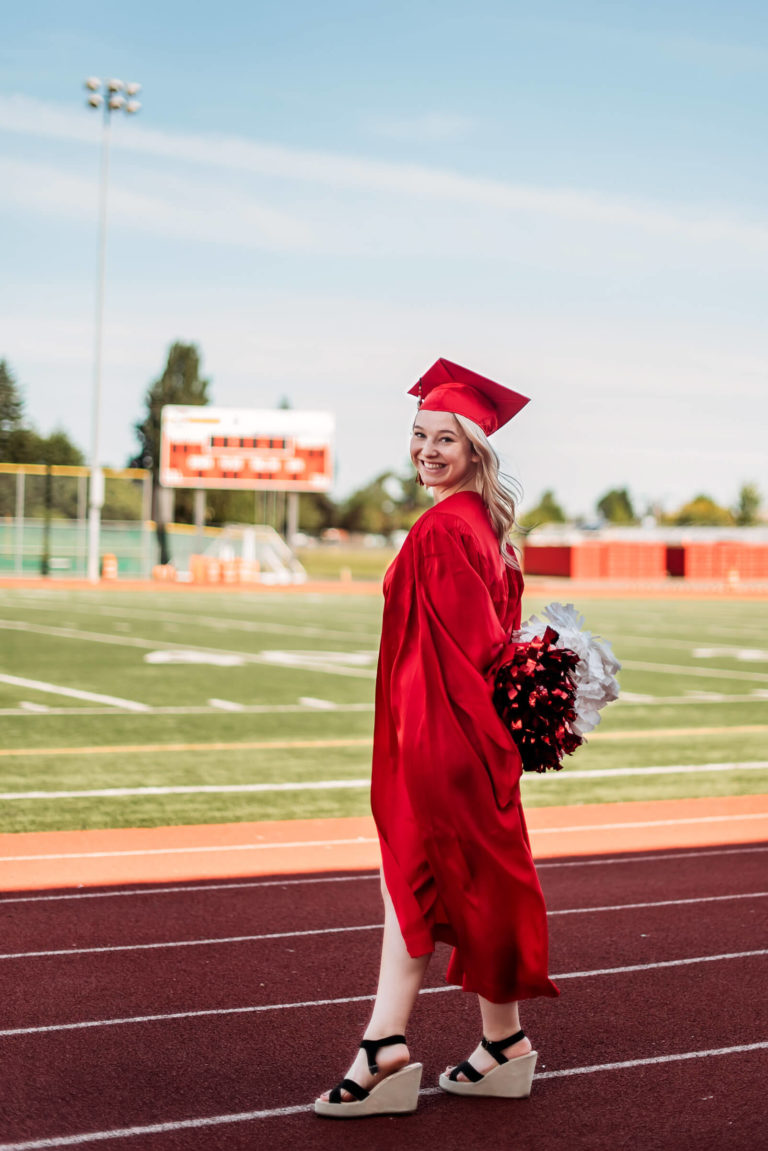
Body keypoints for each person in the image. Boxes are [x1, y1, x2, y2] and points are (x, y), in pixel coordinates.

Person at [315, 358, 559, 1119]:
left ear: (476, 450)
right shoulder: (485, 530)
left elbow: (463, 655)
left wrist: (434, 754)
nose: (426, 449)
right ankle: (501, 1046)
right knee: (457, 891)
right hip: (460, 738)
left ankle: (384, 1050)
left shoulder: (442, 530)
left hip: (436, 737)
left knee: (413, 888)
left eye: (444, 438)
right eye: (419, 434)